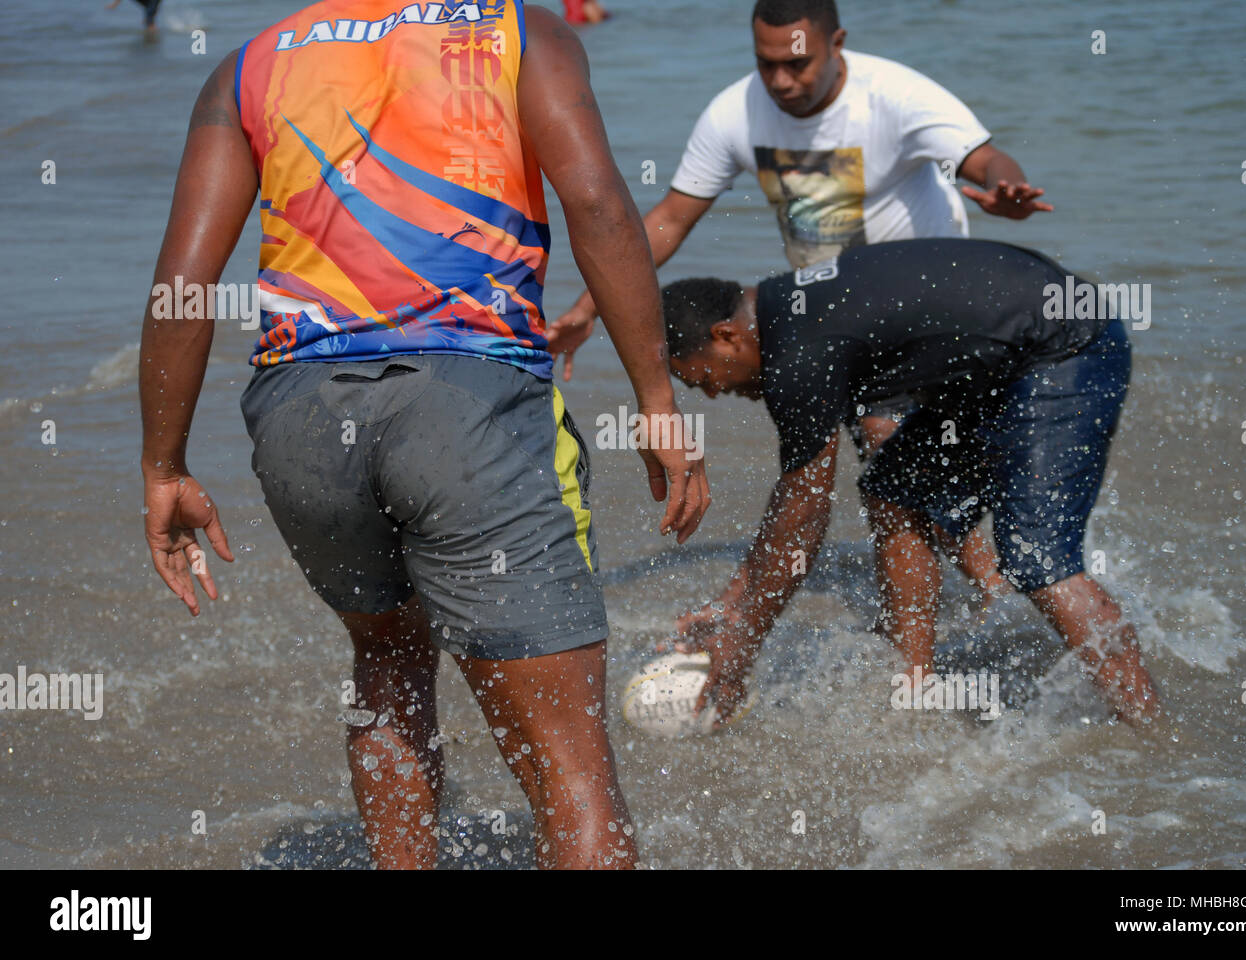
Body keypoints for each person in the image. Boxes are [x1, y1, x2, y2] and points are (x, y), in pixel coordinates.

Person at [138, 0, 709, 870]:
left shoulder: (252, 62)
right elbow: (596, 200)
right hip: (467, 402)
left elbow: (182, 282)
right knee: (573, 773)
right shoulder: (524, 31)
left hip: (299, 413)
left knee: (388, 660)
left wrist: (164, 463)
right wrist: (657, 398)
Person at [547, 0, 1051, 604]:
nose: (782, 82)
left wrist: (1005, 188)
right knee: (896, 476)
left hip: (928, 319)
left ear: (836, 41)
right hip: (835, 326)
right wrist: (588, 307)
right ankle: (969, 605)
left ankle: (977, 600)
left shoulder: (893, 94)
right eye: (767, 66)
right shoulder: (736, 113)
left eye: (798, 65)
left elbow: (985, 159)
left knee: (896, 459)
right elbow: (672, 218)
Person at [661, 239, 1161, 730]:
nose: (714, 392)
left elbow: (804, 515)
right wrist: (734, 603)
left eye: (702, 376)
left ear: (727, 335)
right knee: (894, 493)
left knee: (1035, 555)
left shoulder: (798, 353)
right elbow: (793, 512)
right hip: (1004, 356)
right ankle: (915, 685)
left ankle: (1148, 726)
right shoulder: (788, 311)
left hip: (1067, 345)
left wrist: (740, 646)